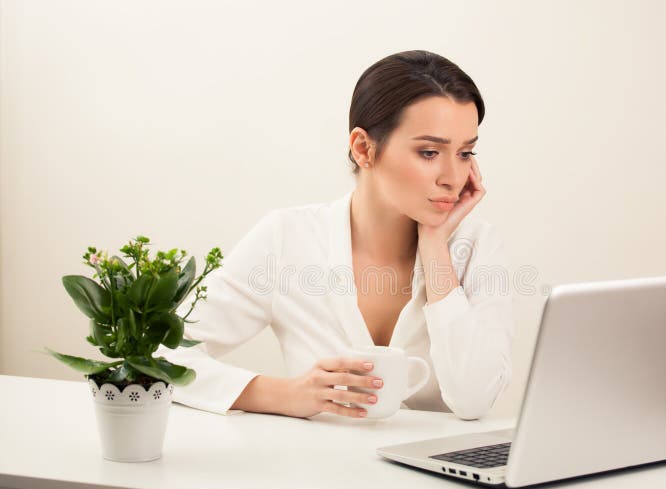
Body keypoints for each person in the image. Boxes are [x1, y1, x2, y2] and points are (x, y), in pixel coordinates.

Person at [153, 50, 514, 421]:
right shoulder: (287, 238)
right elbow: (161, 356)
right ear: (363, 149)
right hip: (318, 474)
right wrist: (284, 394)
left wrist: (436, 248)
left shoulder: (477, 246)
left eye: (466, 153)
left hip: (435, 478)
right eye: (429, 152)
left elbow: (474, 400)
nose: (452, 177)